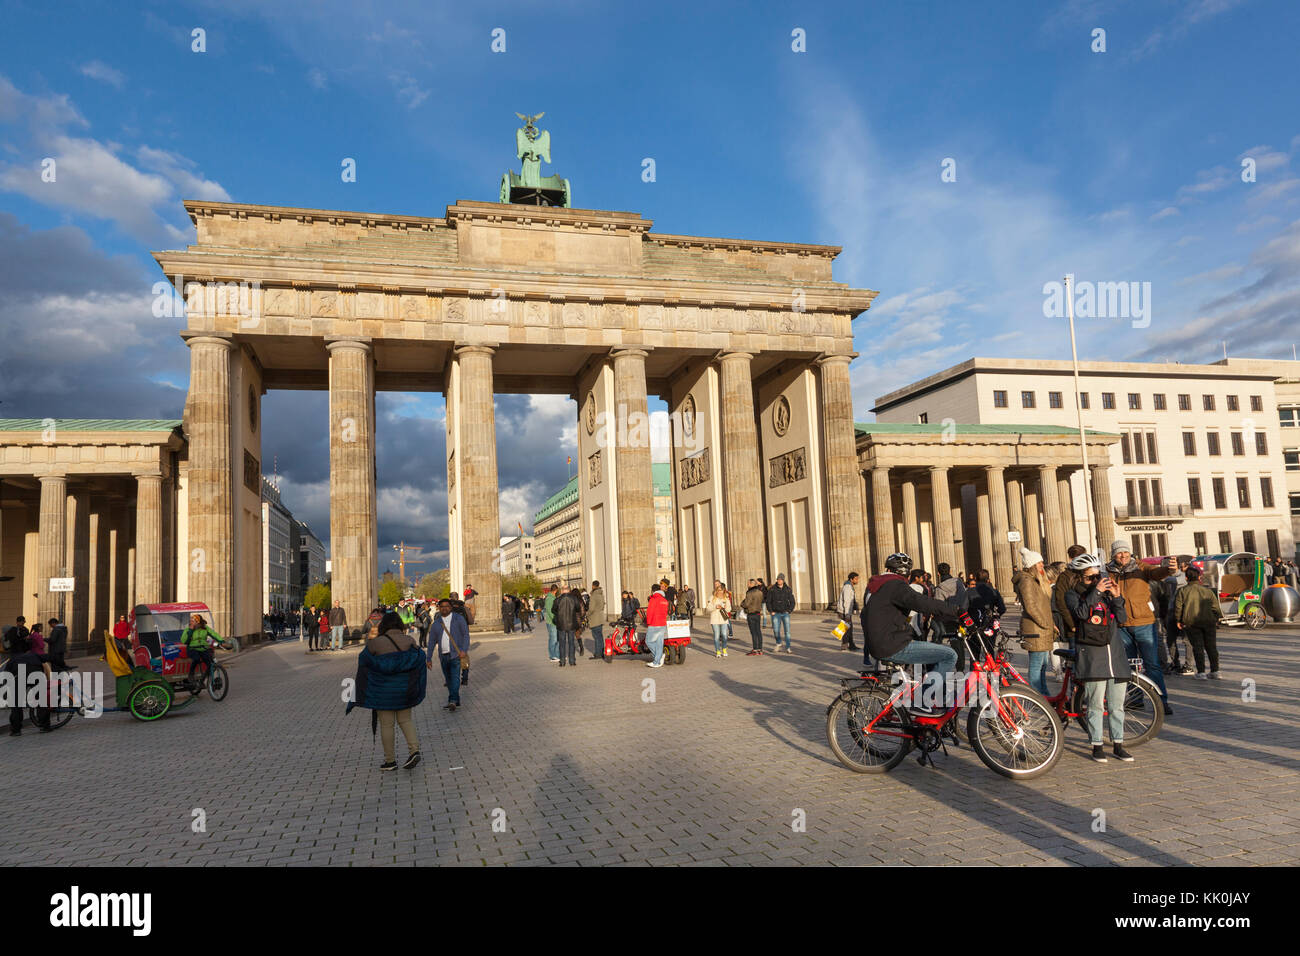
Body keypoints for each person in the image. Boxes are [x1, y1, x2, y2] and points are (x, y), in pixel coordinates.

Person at [861, 552, 967, 713]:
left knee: (933, 657)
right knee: (949, 655)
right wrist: (956, 611)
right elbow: (922, 602)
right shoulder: (895, 585)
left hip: (883, 642)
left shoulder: (877, 586)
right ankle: (922, 700)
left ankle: (936, 698)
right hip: (893, 645)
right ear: (906, 572)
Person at [1063, 553, 1134, 763]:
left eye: (1097, 576)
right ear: (1078, 577)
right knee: (1095, 705)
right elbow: (1082, 614)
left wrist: (1117, 597)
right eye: (1089, 577)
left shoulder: (1105, 595)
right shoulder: (1072, 595)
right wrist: (1096, 591)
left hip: (1115, 655)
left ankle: (1118, 744)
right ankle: (1096, 745)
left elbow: (1122, 619)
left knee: (1117, 705)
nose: (1095, 581)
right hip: (1093, 655)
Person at [346, 610, 425, 770]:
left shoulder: (376, 643)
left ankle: (390, 761)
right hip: (404, 690)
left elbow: (363, 660)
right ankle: (414, 750)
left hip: (382, 691)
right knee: (406, 720)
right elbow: (419, 658)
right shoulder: (409, 640)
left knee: (386, 725)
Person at [1106, 539, 1175, 716]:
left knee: (1151, 664)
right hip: (1121, 624)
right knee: (1129, 666)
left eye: (1126, 552)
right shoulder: (1109, 571)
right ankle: (1136, 699)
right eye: (1119, 553)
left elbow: (1157, 573)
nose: (1123, 556)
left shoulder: (1140, 568)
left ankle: (1162, 701)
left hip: (1143, 622)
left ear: (1130, 553)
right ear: (1114, 554)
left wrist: (1169, 570)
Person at [1012, 549, 1056, 696]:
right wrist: (1045, 623)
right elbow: (1030, 606)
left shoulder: (1035, 580)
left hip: (1041, 627)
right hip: (1035, 628)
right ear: (1032, 564)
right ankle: (1037, 695)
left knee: (1043, 665)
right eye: (1040, 562)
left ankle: (1044, 694)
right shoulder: (1027, 581)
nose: (1043, 565)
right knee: (1037, 665)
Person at [1174, 565, 1226, 679]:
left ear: (1186, 578)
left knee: (1197, 647)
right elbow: (1216, 607)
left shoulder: (1182, 591)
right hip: (1209, 621)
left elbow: (1178, 608)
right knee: (1211, 646)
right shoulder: (1207, 591)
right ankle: (1215, 671)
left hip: (1192, 623)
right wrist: (1217, 618)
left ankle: (1201, 672)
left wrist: (1178, 620)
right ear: (1199, 577)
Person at [427, 597, 470, 711]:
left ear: (451, 608)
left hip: (456, 654)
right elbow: (431, 641)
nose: (444, 608)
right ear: (439, 608)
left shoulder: (458, 619)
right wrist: (428, 658)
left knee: (455, 678)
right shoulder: (437, 623)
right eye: (442, 607)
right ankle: (456, 700)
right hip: (443, 655)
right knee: (448, 679)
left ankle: (452, 700)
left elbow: (466, 635)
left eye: (447, 606)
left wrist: (464, 650)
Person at [4, 632, 50, 735]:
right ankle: (44, 726)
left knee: (16, 704)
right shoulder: (34, 655)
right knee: (41, 701)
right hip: (36, 673)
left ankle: (16, 730)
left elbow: (7, 674)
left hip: (20, 675)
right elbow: (48, 661)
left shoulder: (13, 658)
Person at [181, 614, 230, 684]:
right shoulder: (188, 629)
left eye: (194, 621)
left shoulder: (205, 628)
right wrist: (190, 631)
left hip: (203, 648)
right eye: (191, 621)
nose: (191, 622)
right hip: (192, 649)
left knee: (210, 663)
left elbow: (214, 634)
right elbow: (184, 641)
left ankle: (203, 679)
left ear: (198, 622)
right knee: (196, 659)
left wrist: (221, 641)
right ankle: (191, 674)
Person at [554, 584, 582, 667]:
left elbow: (553, 610)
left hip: (561, 624)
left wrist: (558, 614)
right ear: (569, 590)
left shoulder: (558, 599)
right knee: (571, 642)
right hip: (571, 623)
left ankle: (562, 662)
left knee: (562, 643)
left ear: (562, 590)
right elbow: (578, 608)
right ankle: (572, 661)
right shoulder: (574, 599)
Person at [767, 574, 795, 653]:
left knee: (787, 631)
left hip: (785, 613)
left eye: (780, 579)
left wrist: (789, 610)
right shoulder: (772, 589)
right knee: (776, 630)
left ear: (783, 580)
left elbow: (792, 601)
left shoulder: (788, 589)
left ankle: (788, 647)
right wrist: (771, 611)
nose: (779, 581)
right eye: (778, 579)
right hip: (775, 613)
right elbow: (768, 601)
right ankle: (778, 643)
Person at [644, 583, 669, 668]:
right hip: (662, 623)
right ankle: (656, 662)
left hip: (654, 623)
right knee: (659, 642)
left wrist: (648, 622)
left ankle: (659, 656)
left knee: (648, 641)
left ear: (653, 590)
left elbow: (650, 612)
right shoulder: (664, 600)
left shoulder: (653, 599)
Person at [705, 583, 732, 657]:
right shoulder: (712, 598)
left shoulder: (725, 598)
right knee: (716, 636)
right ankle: (718, 651)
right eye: (719, 590)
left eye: (721, 590)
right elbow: (708, 609)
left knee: (724, 635)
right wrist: (715, 607)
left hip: (724, 619)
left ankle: (724, 649)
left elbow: (729, 609)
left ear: (723, 591)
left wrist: (725, 607)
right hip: (715, 620)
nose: (720, 592)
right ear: (716, 591)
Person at [837, 572, 861, 653]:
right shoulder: (847, 587)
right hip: (844, 612)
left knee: (848, 628)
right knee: (846, 629)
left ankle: (851, 645)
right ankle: (844, 646)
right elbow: (847, 601)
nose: (857, 580)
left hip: (846, 611)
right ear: (851, 579)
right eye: (856, 579)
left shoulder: (849, 586)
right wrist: (847, 614)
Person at [587, 581, 607, 659]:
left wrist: (587, 614)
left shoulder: (593, 595)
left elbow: (591, 609)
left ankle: (598, 654)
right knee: (600, 637)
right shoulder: (601, 594)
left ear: (593, 586)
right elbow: (602, 606)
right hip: (600, 617)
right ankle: (601, 653)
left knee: (596, 637)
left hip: (595, 618)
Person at [543, 585, 559, 662]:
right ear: (556, 590)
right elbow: (550, 611)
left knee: (556, 639)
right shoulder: (550, 598)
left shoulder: (552, 598)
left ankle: (557, 654)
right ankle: (553, 656)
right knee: (553, 639)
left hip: (553, 621)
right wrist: (555, 620)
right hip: (552, 622)